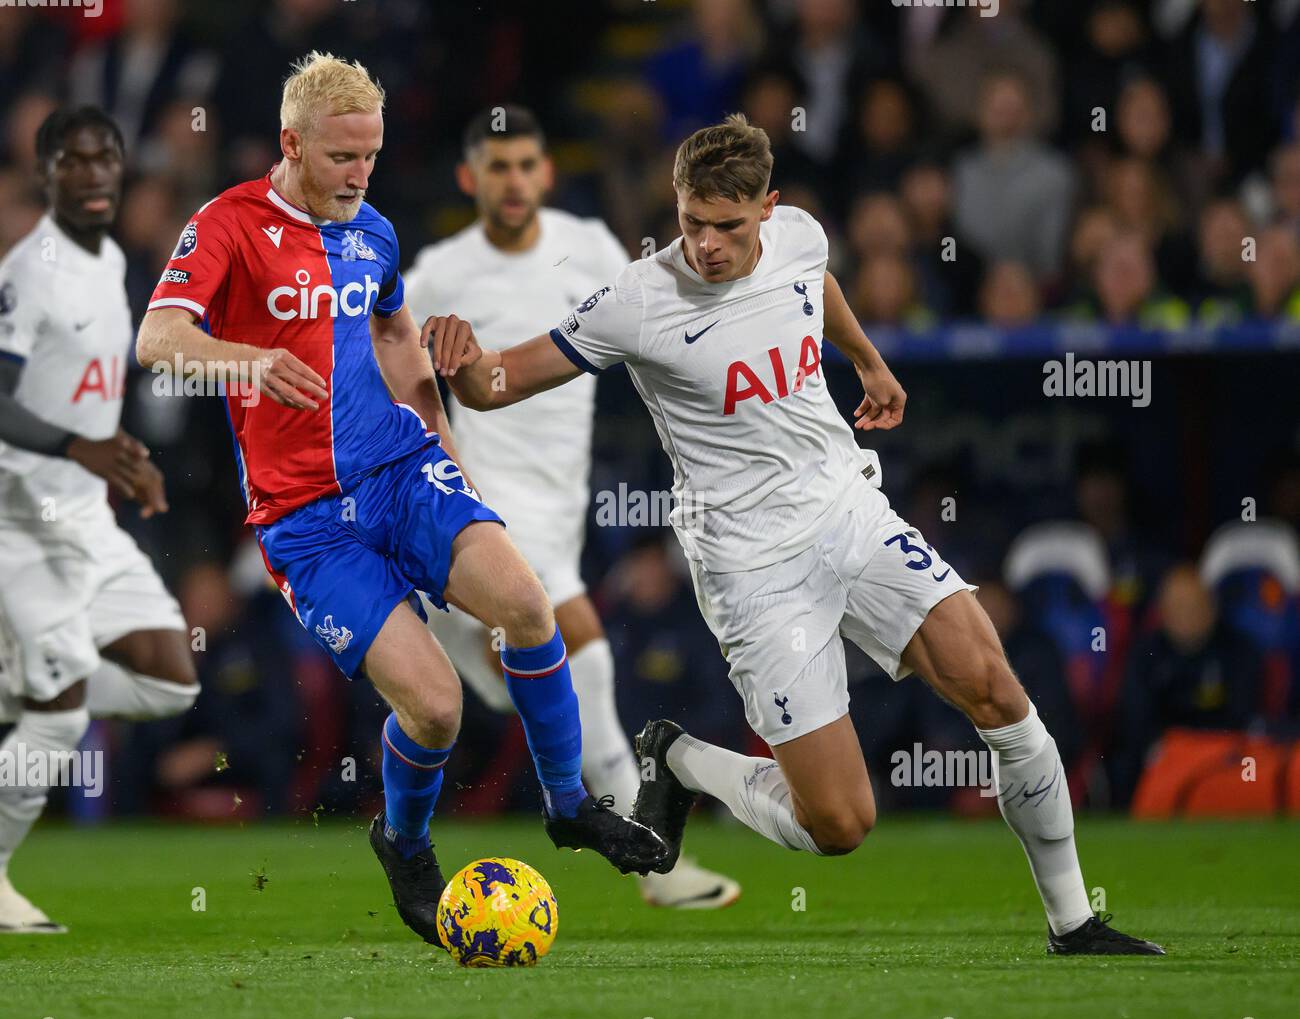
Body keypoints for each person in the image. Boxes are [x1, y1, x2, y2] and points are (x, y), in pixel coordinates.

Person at [424, 114, 1164, 955]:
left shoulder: (802, 237)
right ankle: (683, 763)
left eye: (728, 227)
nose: (705, 244)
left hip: (848, 510)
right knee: (841, 823)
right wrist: (460, 360)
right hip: (751, 566)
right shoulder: (638, 299)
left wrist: (868, 360)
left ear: (768, 211)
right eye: (692, 222)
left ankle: (1074, 921)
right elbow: (496, 384)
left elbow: (821, 288)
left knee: (995, 686)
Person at [134, 53, 666, 948]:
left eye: (371, 156)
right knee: (437, 707)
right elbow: (158, 337)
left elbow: (393, 328)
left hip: (400, 470)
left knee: (530, 608)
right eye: (342, 157)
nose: (359, 174)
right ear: (292, 144)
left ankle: (570, 803)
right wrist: (248, 360)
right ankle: (405, 841)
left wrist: (447, 451)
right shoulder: (228, 223)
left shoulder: (373, 231)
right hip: (305, 522)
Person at [404, 105, 738, 909]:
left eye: (525, 164)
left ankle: (582, 822)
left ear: (546, 172)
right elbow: (385, 358)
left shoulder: (587, 247)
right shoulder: (439, 272)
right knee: (583, 651)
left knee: (511, 688)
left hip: (558, 513)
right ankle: (650, 855)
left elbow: (653, 320)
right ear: (469, 178)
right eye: (497, 166)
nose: (513, 180)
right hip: (477, 510)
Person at [0, 106, 200, 933]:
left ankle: (23, 681)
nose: (93, 174)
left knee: (167, 679)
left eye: (106, 158)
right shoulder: (29, 271)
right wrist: (79, 448)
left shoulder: (113, 262)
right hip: (19, 518)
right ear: (49, 174)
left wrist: (123, 457)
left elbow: (87, 394)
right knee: (61, 703)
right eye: (73, 161)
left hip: (86, 515)